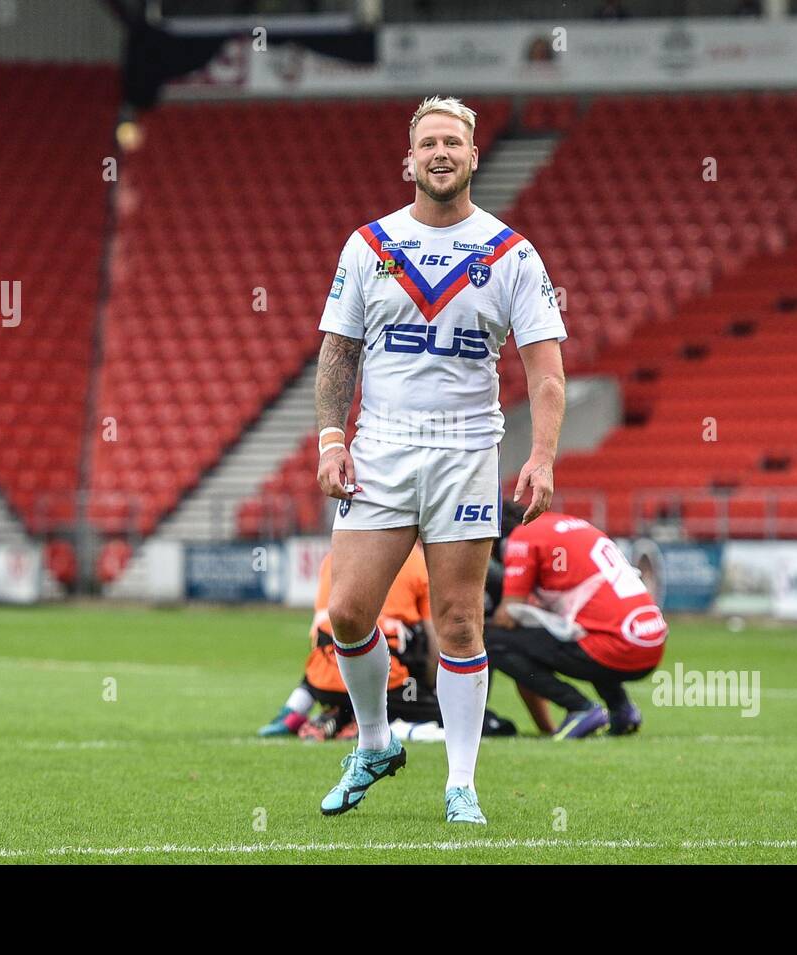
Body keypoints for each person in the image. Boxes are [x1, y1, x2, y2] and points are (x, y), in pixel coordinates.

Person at [313, 95, 567, 823]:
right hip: (381, 450)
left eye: (453, 141)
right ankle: (373, 742)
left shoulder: (511, 254)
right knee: (347, 611)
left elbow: (546, 372)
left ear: (474, 156)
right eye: (428, 143)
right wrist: (333, 438)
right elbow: (338, 352)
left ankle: (461, 782)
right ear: (410, 158)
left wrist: (542, 456)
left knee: (460, 622)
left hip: (466, 453)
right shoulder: (369, 246)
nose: (441, 153)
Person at [258, 545, 516, 741]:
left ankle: (304, 712)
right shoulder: (416, 563)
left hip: (323, 676)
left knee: (335, 639)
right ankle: (380, 726)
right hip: (386, 680)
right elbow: (434, 646)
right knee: (461, 719)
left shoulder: (334, 556)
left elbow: (320, 628)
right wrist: (429, 689)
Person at [486, 503, 667, 739]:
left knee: (491, 640)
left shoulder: (522, 537)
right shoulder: (568, 524)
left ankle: (580, 707)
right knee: (587, 628)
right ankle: (621, 709)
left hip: (615, 647)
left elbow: (508, 616)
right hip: (651, 640)